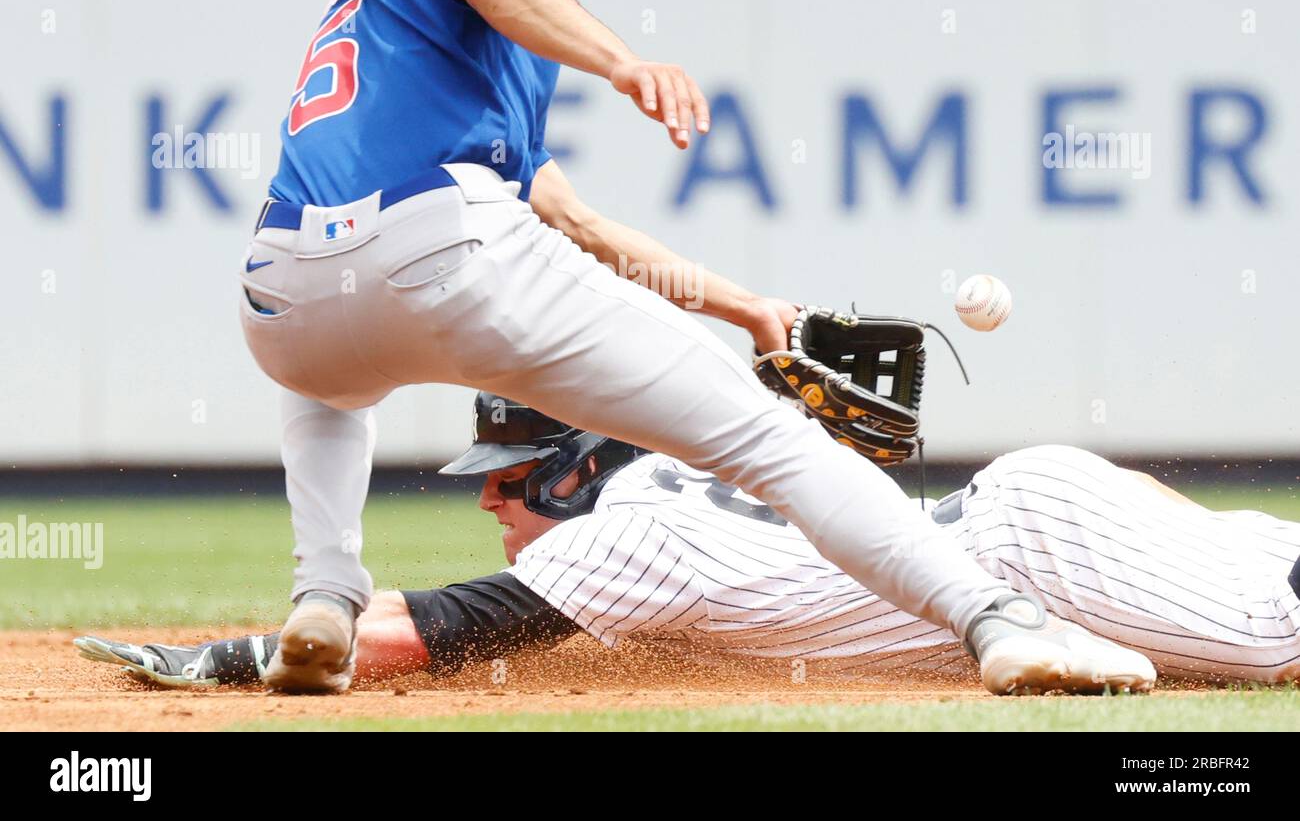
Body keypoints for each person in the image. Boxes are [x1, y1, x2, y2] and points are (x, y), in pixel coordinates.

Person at [237, 0, 1144, 695]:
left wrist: (744, 305)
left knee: (328, 391)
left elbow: (575, 220)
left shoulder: (397, 10)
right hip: (438, 248)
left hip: (280, 295)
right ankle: (997, 617)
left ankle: (324, 598)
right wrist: (623, 63)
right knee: (769, 440)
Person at [103, 397, 1289, 695]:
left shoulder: (629, 531)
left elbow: (423, 633)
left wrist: (228, 655)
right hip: (1025, 524)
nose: (487, 502)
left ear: (576, 468)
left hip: (1045, 546)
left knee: (1274, 641)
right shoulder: (677, 470)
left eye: (509, 478)